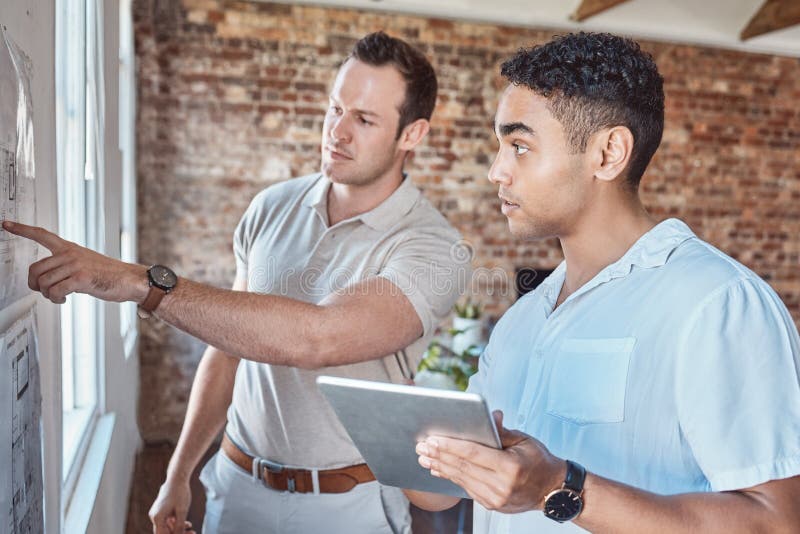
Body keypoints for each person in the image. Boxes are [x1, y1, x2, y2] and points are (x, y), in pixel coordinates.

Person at [3, 31, 471, 533]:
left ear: (412, 134)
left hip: (350, 506)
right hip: (238, 484)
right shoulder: (271, 207)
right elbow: (227, 352)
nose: (337, 131)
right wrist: (179, 472)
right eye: (336, 108)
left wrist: (144, 283)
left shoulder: (434, 247)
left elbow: (319, 338)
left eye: (364, 119)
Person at [407, 32, 800, 533]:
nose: (496, 172)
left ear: (609, 153)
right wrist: (401, 426)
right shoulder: (522, 320)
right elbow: (440, 493)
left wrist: (560, 489)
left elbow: (777, 523)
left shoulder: (718, 303)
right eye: (499, 146)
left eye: (520, 146)